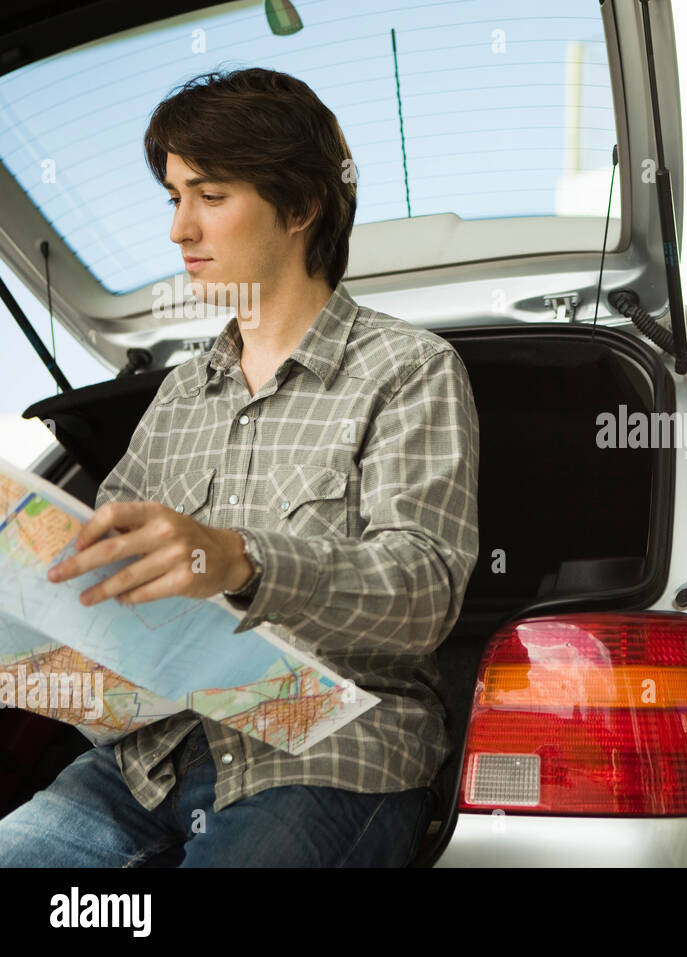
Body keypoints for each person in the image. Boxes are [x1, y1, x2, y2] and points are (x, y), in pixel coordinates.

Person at [0, 67, 479, 867]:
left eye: (210, 196)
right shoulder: (179, 396)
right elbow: (97, 591)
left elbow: (423, 591)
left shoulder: (409, 369)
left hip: (329, 757)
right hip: (144, 763)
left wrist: (238, 558)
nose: (181, 229)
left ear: (300, 206)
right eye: (174, 197)